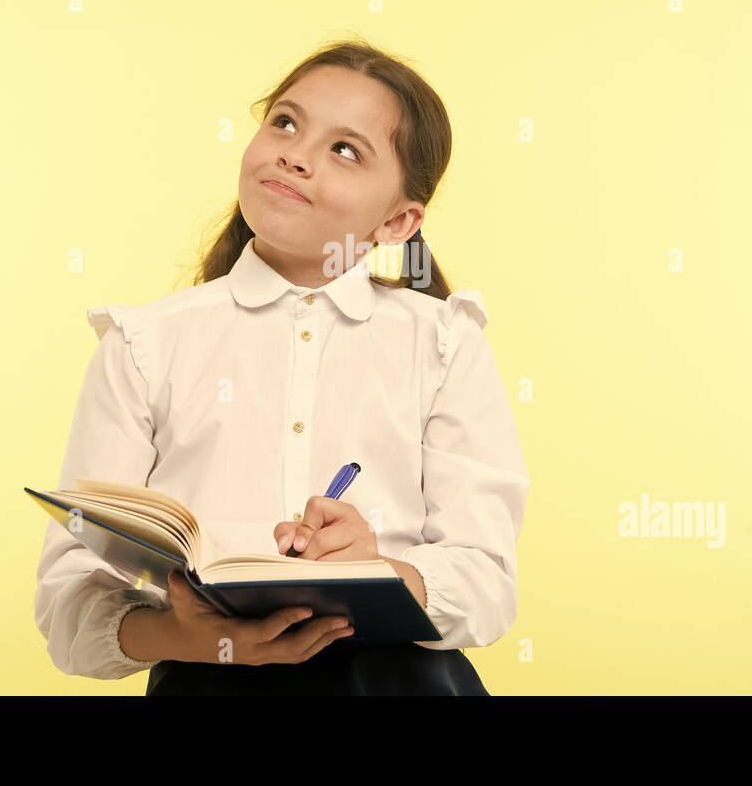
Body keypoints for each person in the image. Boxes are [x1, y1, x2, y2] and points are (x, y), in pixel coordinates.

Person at [33, 38, 529, 695]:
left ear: (398, 220)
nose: (294, 154)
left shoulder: (443, 343)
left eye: (345, 149)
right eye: (285, 122)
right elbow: (70, 599)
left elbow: (488, 580)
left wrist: (380, 569)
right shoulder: (143, 342)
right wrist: (190, 636)